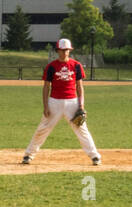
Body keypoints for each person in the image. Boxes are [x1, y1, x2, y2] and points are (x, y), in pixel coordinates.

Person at [22, 37, 101, 166]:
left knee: (82, 129)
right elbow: (46, 87)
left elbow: (79, 86)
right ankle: (28, 155)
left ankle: (95, 156)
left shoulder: (76, 65)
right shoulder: (51, 67)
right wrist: (46, 106)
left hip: (72, 102)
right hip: (55, 102)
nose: (65, 52)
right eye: (62, 50)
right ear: (57, 50)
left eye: (67, 50)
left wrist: (81, 105)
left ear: (70, 50)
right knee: (42, 129)